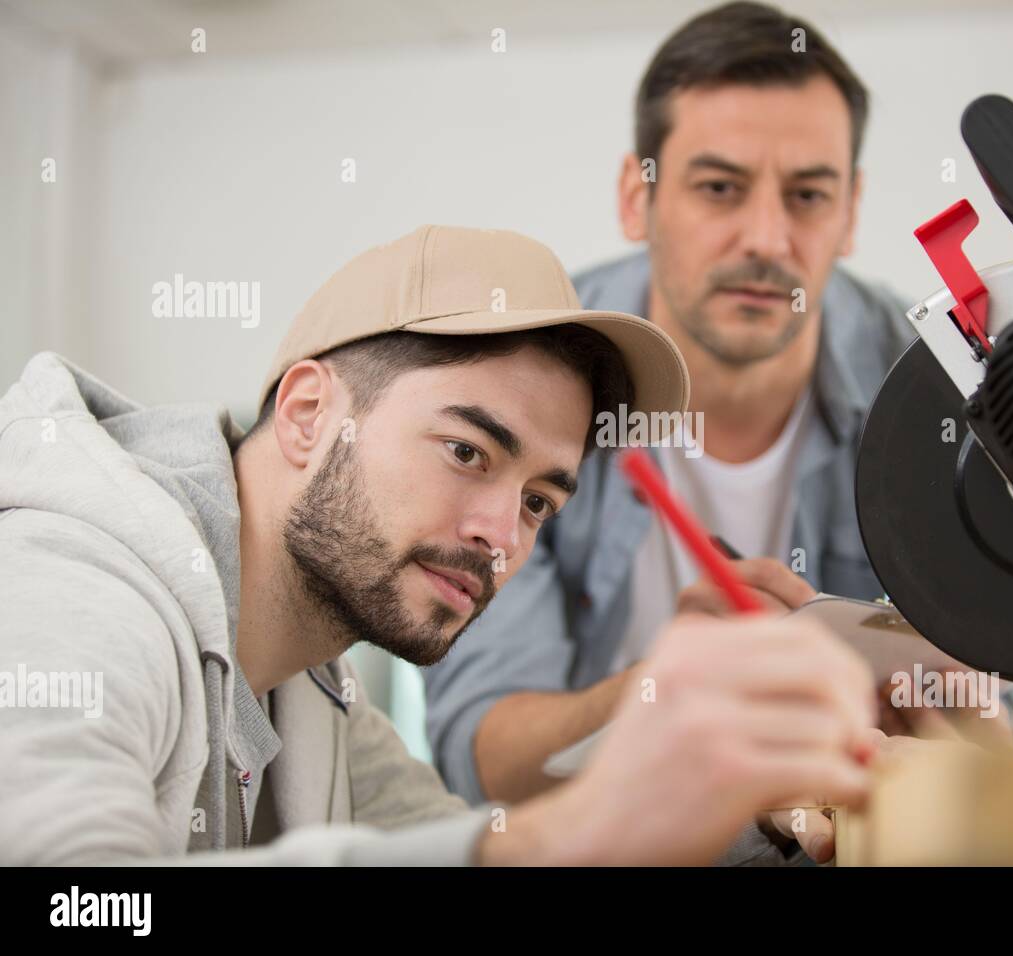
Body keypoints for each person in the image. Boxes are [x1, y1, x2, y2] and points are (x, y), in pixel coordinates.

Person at [0, 225, 880, 865]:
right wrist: (550, 837)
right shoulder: (73, 583)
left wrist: (757, 823)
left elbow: (476, 854)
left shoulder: (312, 689)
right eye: (467, 452)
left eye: (539, 500)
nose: (501, 538)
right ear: (309, 416)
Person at [423, 2, 915, 863]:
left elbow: (972, 711)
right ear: (636, 197)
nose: (767, 239)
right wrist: (662, 690)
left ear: (850, 211)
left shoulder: (924, 393)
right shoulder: (532, 376)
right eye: (719, 187)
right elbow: (480, 750)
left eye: (808, 195)